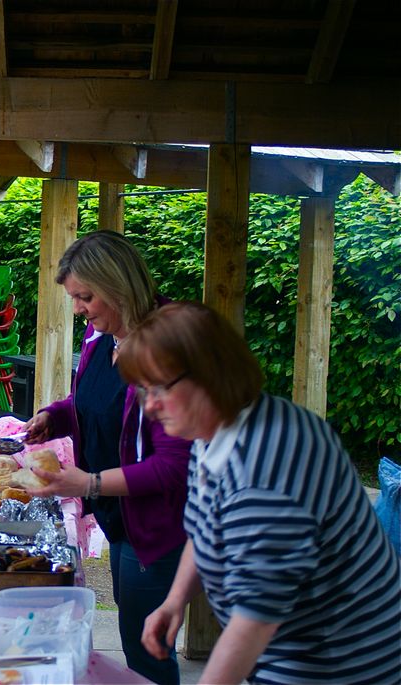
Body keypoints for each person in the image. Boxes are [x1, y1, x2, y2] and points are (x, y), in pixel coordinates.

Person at [122, 302, 401, 685]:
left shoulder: (263, 471)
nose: (150, 407)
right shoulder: (216, 429)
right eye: (143, 390)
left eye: (160, 388)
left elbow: (255, 620)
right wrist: (175, 600)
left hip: (337, 665)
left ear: (210, 375)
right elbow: (204, 528)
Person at [22, 231, 191, 684]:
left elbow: (175, 464)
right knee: (134, 633)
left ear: (118, 286)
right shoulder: (101, 342)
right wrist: (53, 417)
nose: (78, 308)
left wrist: (90, 483)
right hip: (118, 518)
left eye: (86, 297)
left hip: (156, 527)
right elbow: (94, 403)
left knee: (148, 652)